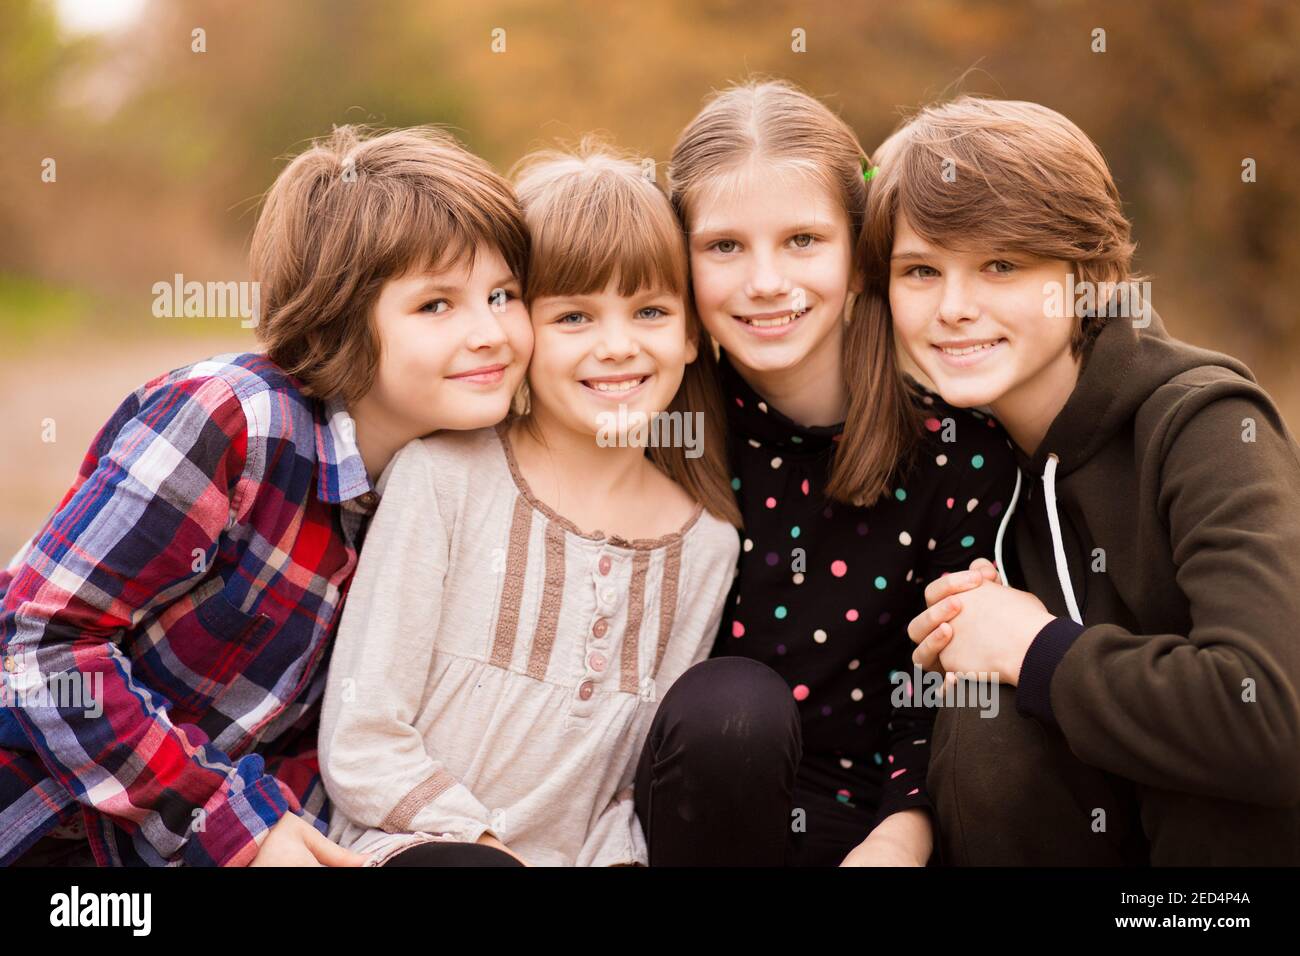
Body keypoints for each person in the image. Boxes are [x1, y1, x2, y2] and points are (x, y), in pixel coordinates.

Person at [0, 124, 531, 866]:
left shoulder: (449, 485)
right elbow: (39, 644)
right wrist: (239, 825)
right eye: (436, 305)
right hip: (46, 828)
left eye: (504, 294)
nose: (492, 332)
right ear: (342, 316)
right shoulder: (234, 420)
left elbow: (335, 731)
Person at [882, 96, 1300, 865]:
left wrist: (1035, 649)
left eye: (1000, 265)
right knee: (982, 724)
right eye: (919, 271)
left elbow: (1272, 719)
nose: (953, 308)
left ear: (1089, 275)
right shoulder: (950, 458)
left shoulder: (1206, 426)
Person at [628, 79, 1019, 867]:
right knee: (732, 708)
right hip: (684, 810)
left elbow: (942, 685)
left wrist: (904, 834)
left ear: (860, 251)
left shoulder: (958, 450)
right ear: (681, 260)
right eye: (724, 247)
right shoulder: (652, 428)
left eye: (803, 240)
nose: (766, 281)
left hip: (877, 818)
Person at [317, 140, 740, 867]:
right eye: (574, 317)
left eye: (649, 312)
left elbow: (620, 789)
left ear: (692, 334)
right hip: (420, 844)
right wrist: (484, 844)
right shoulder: (442, 477)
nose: (616, 347)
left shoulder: (707, 545)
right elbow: (362, 734)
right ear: (521, 330)